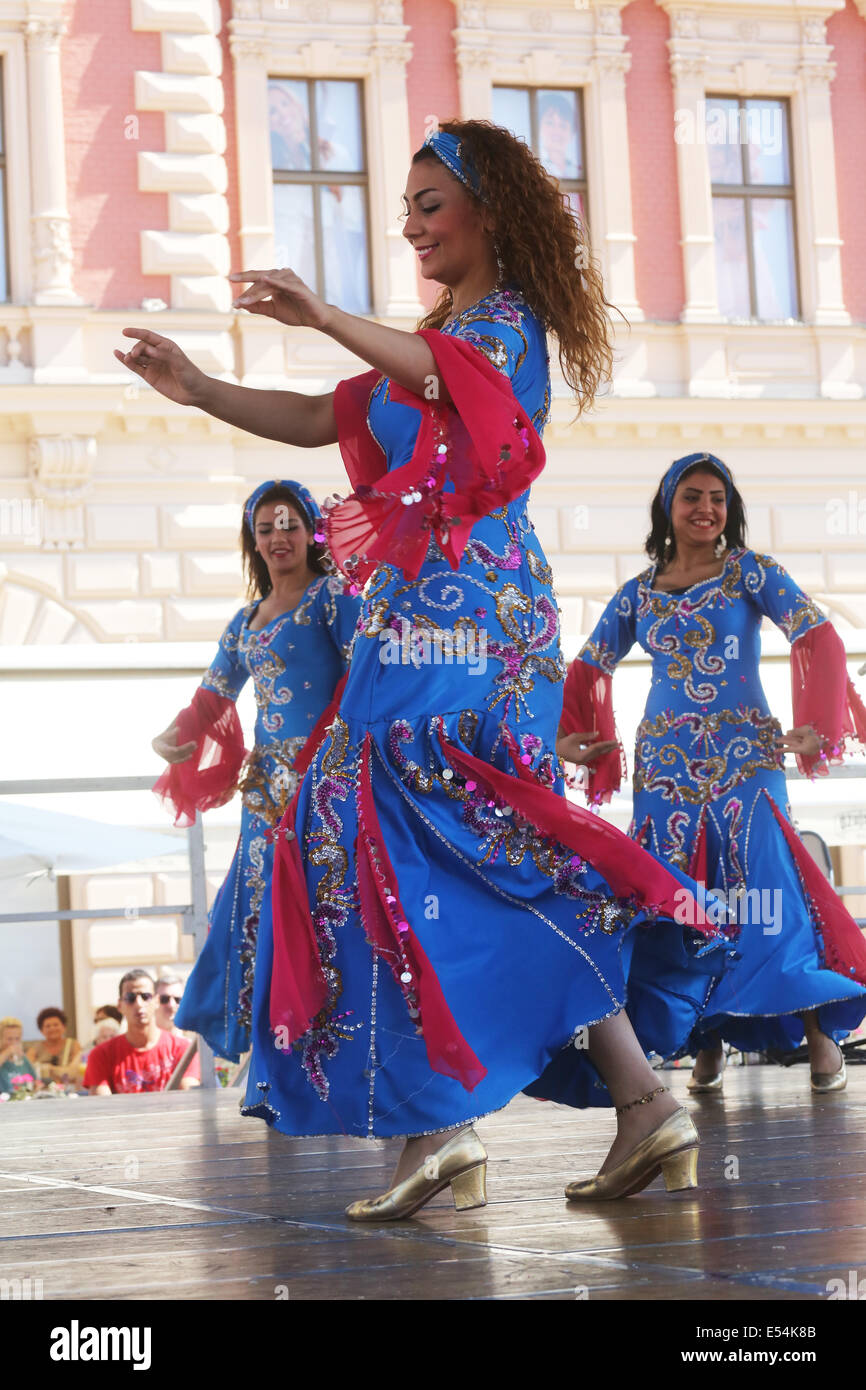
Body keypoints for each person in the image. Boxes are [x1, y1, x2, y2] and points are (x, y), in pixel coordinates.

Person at [115, 119, 731, 1215]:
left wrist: (324, 315)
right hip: (405, 624)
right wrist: (201, 387)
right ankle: (595, 1107)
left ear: (489, 212)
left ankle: (475, 1121)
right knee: (425, 842)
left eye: (427, 204)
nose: (407, 224)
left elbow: (442, 375)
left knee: (413, 824)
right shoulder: (431, 338)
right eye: (403, 207)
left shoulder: (501, 327)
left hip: (476, 622)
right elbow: (319, 414)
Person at [560, 452, 866, 1094]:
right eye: (691, 497)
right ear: (667, 508)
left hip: (746, 758)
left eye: (717, 498)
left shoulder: (749, 572)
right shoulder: (638, 592)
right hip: (664, 771)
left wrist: (816, 718)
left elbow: (817, 633)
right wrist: (575, 740)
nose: (706, 509)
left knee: (768, 890)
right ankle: (706, 1042)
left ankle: (818, 1036)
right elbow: (588, 664)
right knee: (680, 902)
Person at [150, 482, 362, 1062]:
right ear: (253, 540)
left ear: (313, 532)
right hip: (265, 793)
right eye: (265, 528)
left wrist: (331, 755)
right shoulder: (246, 620)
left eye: (289, 524)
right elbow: (212, 697)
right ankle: (279, 1050)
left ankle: (338, 1044)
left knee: (326, 903)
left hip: (326, 783)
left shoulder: (334, 596)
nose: (277, 537)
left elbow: (361, 680)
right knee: (260, 905)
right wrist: (175, 737)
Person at [84, 970, 200, 1094]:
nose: (139, 1004)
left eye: (146, 997)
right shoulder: (101, 1055)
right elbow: (103, 1107)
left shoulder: (183, 1050)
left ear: (156, 1001)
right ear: (120, 1005)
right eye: (130, 998)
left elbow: (189, 1099)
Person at [26, 1008, 81, 1085]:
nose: (52, 1028)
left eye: (56, 1025)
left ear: (64, 1027)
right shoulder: (34, 1048)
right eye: (48, 1026)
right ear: (41, 1030)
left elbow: (76, 1071)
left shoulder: (73, 1045)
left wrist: (50, 1069)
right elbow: (27, 1071)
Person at [0, 1017, 38, 1093]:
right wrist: (6, 1053)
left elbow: (35, 1081)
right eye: (9, 1039)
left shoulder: (23, 1059)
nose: (13, 1043)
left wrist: (37, 1087)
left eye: (17, 1039)